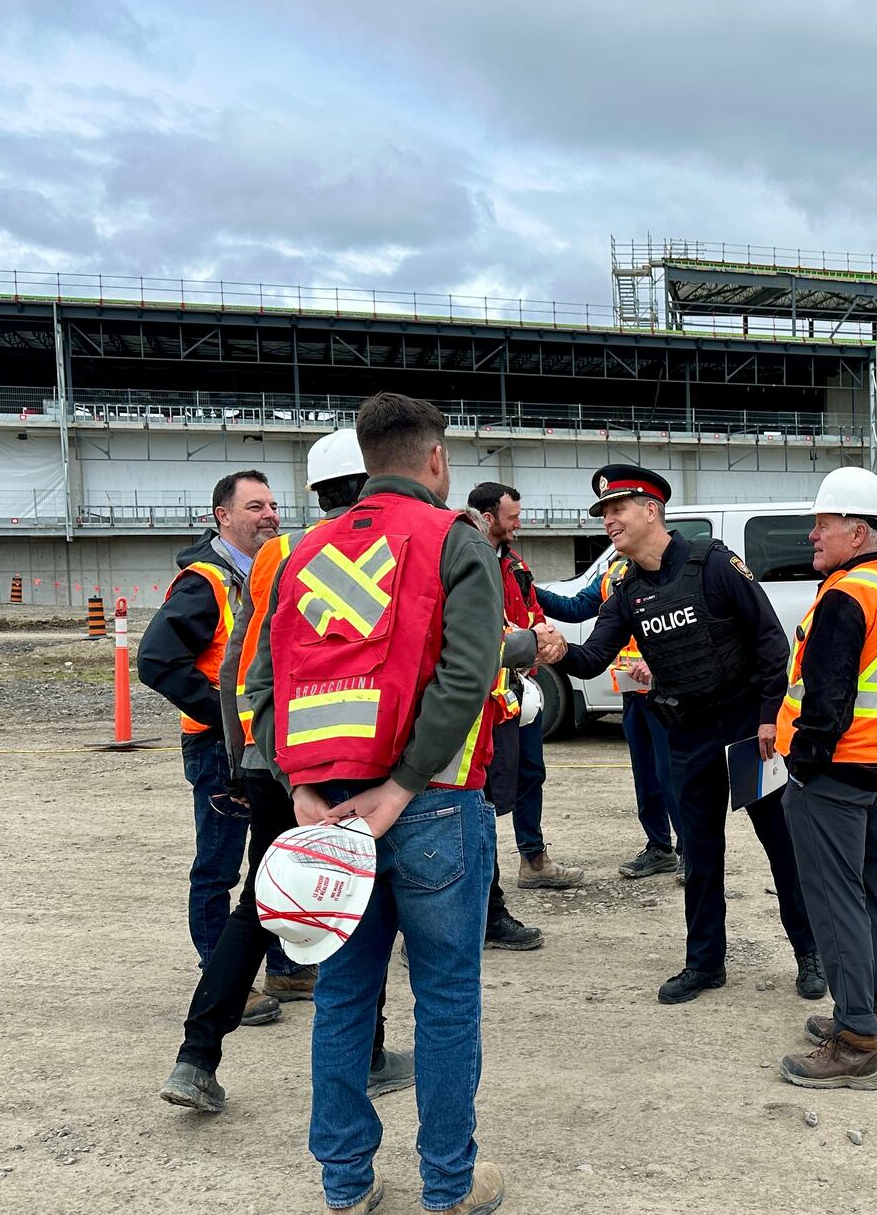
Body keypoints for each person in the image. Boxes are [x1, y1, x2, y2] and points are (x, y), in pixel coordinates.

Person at [248, 393, 528, 1215]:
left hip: (326, 813)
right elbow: (469, 675)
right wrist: (401, 787)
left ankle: (346, 1185)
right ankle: (448, 1185)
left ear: (367, 458)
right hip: (433, 804)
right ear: (435, 459)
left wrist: (302, 785)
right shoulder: (454, 541)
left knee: (341, 997)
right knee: (445, 999)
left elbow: (261, 685)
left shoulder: (300, 554)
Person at [159, 431, 414, 1114]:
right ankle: (365, 1056)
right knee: (360, 896)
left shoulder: (278, 552)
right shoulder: (392, 549)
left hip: (273, 754)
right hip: (350, 755)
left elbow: (240, 659)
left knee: (261, 899)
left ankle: (197, 1056)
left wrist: (247, 751)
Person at [550, 464, 826, 1005]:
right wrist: (555, 651)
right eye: (604, 512)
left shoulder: (715, 564)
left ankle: (810, 954)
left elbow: (771, 642)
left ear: (650, 510)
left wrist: (771, 715)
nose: (608, 521)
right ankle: (705, 965)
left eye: (616, 509)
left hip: (750, 733)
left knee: (782, 848)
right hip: (689, 737)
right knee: (699, 856)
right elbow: (591, 659)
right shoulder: (627, 591)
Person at [776, 467, 877, 1091]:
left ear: (857, 530)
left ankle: (857, 1036)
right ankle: (874, 1007)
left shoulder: (846, 597)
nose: (813, 535)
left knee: (835, 902)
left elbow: (827, 700)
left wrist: (801, 762)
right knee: (875, 892)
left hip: (833, 775)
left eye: (824, 523)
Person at [137, 469, 297, 1024]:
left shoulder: (270, 572)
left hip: (264, 744)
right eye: (255, 506)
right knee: (219, 865)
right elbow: (156, 661)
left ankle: (282, 965)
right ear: (222, 516)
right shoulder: (205, 580)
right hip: (218, 748)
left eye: (274, 505)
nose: (270, 515)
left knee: (272, 861)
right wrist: (222, 714)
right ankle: (221, 977)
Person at [468, 482, 583, 952]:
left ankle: (532, 860)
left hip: (514, 693)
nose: (519, 523)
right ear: (487, 516)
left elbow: (533, 612)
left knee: (527, 777)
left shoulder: (514, 564)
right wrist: (527, 639)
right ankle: (476, 910)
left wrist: (545, 637)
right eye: (512, 517)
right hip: (478, 703)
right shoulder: (464, 557)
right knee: (478, 803)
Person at [535, 558, 684, 881]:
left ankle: (689, 849)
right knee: (646, 776)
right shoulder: (614, 574)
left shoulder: (671, 570)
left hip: (667, 693)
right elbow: (575, 608)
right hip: (633, 693)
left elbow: (688, 628)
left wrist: (659, 663)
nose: (611, 527)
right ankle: (660, 847)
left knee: (671, 774)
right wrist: (529, 590)